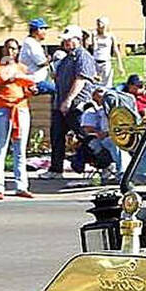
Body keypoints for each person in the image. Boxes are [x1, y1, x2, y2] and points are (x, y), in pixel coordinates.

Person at [0, 37, 35, 200]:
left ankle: (21, 186)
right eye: (7, 48)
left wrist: (32, 89)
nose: (10, 51)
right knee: (0, 148)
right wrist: (7, 82)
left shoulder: (22, 68)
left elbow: (27, 88)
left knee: (20, 149)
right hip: (2, 109)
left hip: (21, 109)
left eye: (13, 48)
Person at [49, 25, 96, 177]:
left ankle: (102, 164)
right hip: (60, 104)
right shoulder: (66, 58)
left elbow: (80, 80)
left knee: (84, 135)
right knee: (56, 135)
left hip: (76, 105)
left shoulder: (83, 56)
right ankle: (56, 169)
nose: (65, 43)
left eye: (68, 40)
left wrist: (68, 100)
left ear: (77, 39)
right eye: (65, 41)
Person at [18, 18, 55, 95]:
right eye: (42, 29)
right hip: (36, 81)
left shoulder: (32, 43)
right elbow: (41, 63)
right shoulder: (31, 43)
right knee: (60, 90)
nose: (45, 32)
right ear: (35, 30)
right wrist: (50, 59)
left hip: (37, 80)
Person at [87, 17, 124, 87]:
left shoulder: (111, 36)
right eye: (97, 22)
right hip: (95, 61)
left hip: (106, 62)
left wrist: (120, 66)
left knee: (107, 84)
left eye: (100, 22)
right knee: (94, 83)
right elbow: (93, 47)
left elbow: (115, 50)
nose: (98, 24)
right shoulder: (94, 34)